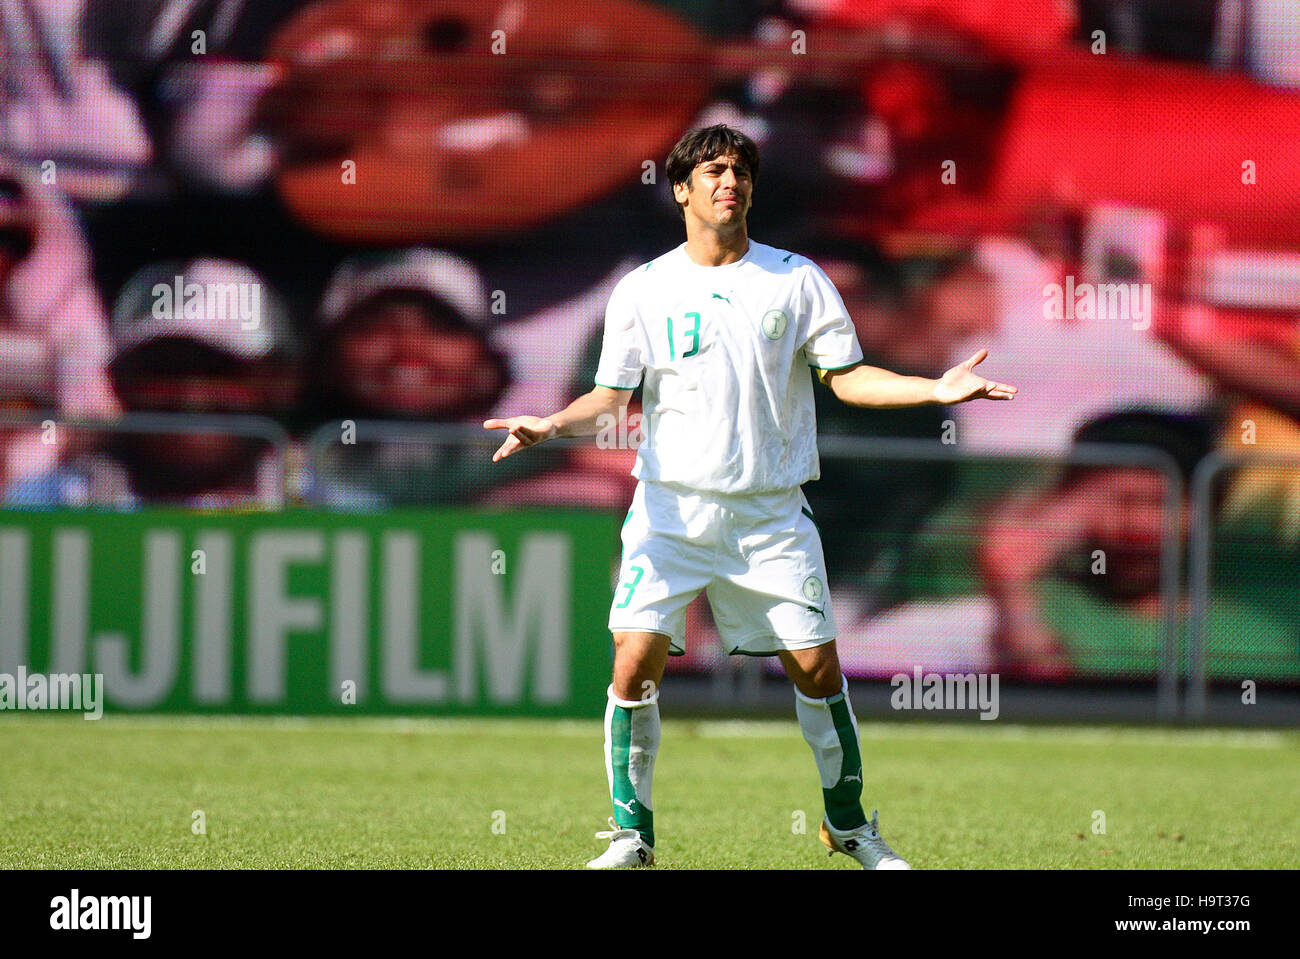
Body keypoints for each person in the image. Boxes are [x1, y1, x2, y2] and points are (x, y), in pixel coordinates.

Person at [483, 124, 1018, 870]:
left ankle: (847, 824)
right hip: (670, 510)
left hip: (769, 515)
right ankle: (631, 833)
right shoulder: (643, 289)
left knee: (817, 671)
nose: (728, 181)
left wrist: (933, 386)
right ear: (681, 190)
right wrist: (552, 422)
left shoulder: (798, 280)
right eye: (712, 171)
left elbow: (848, 377)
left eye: (739, 170)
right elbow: (610, 395)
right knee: (633, 664)